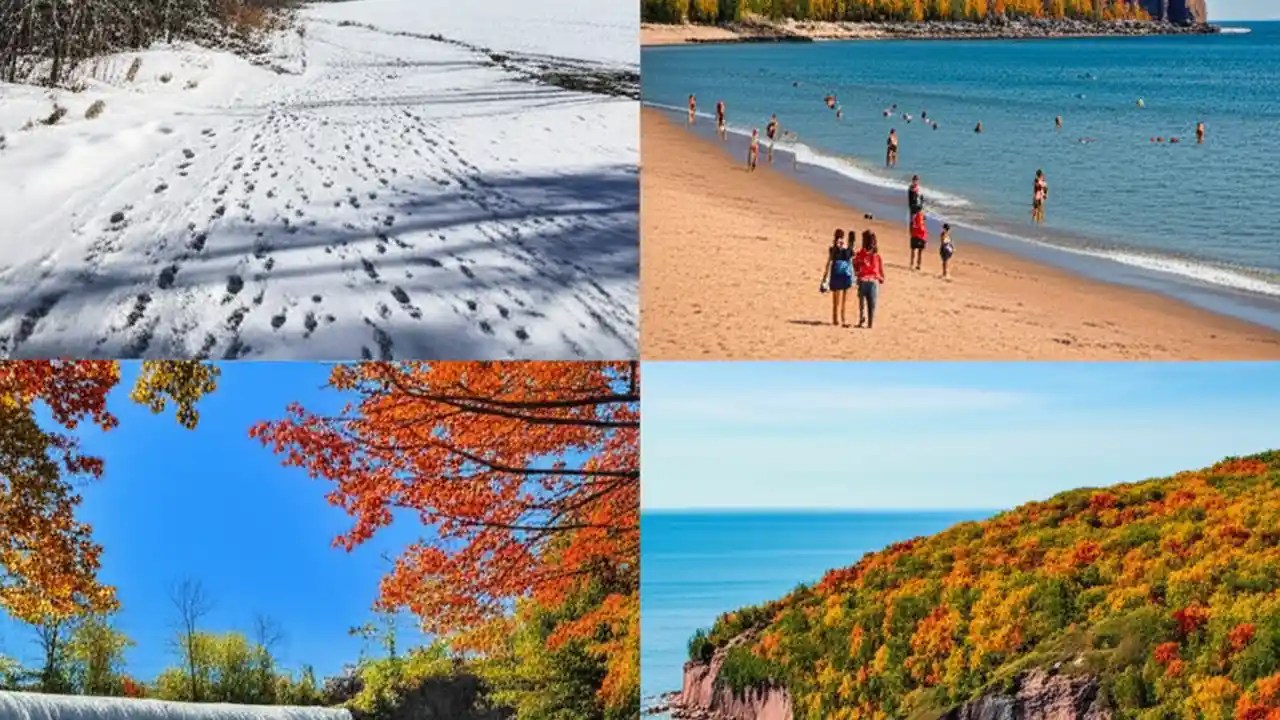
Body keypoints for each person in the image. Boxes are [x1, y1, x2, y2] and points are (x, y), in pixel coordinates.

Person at [820, 229, 855, 327]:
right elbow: (851, 262)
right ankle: (842, 318)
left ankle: (836, 318)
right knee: (843, 299)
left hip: (836, 274)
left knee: (836, 299)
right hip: (845, 275)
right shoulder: (843, 249)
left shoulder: (833, 249)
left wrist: (825, 277)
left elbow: (829, 262)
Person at [855, 231, 885, 329]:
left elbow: (855, 264)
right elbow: (880, 270)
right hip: (873, 281)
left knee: (862, 303)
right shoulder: (877, 256)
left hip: (863, 280)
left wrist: (857, 274)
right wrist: (881, 278)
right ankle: (870, 323)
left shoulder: (861, 254)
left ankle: (862, 319)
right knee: (872, 304)